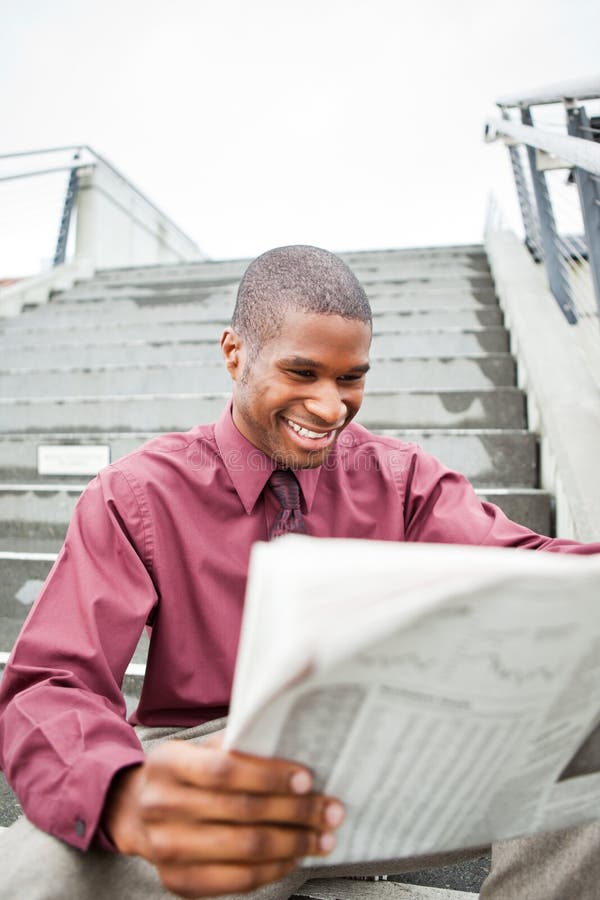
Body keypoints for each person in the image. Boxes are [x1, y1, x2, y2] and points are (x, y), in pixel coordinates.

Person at [0, 245, 599, 900]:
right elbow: (51, 682)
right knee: (35, 873)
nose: (330, 407)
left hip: (388, 763)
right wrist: (122, 792)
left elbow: (536, 567)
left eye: (350, 379)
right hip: (216, 761)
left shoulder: (403, 482)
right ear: (235, 354)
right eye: (303, 372)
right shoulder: (134, 495)